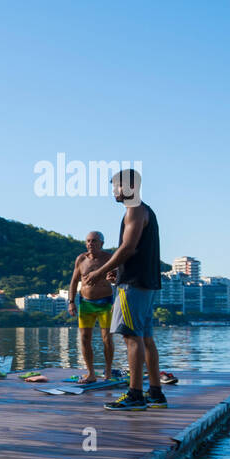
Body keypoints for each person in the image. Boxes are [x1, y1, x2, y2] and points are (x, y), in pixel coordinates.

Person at [83, 169, 167, 410]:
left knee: (131, 337)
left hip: (134, 285)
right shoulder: (144, 210)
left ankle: (135, 395)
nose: (113, 192)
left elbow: (128, 248)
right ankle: (156, 393)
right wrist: (117, 272)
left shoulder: (135, 209)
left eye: (116, 187)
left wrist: (99, 272)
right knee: (146, 338)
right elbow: (134, 251)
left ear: (128, 187)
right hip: (145, 282)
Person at [67, 230, 117, 383]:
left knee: (107, 339)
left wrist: (113, 278)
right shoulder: (81, 259)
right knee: (84, 338)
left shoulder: (109, 258)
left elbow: (117, 278)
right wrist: (71, 301)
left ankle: (108, 372)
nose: (90, 244)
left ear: (102, 243)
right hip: (85, 303)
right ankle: (91, 373)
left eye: (94, 241)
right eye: (88, 241)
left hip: (105, 303)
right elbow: (74, 281)